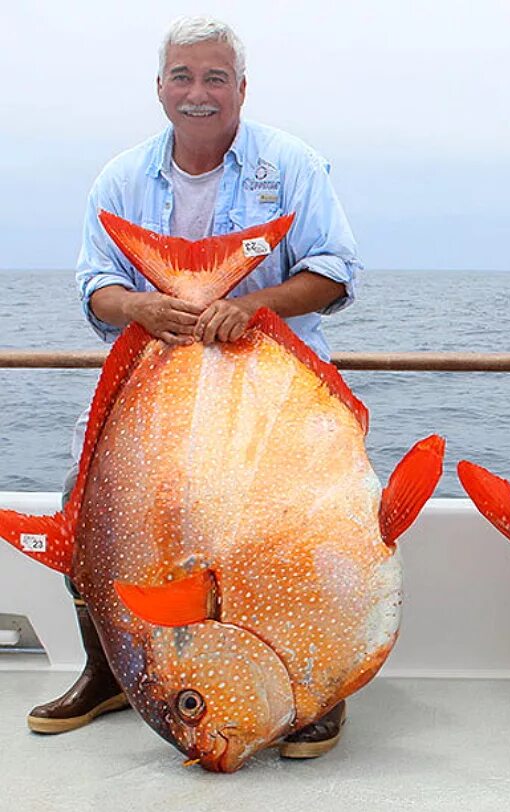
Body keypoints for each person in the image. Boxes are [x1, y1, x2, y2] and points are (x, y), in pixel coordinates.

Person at [30, 16, 361, 760]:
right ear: (159, 88)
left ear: (242, 88)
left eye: (215, 78)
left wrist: (252, 306)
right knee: (82, 505)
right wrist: (141, 306)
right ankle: (107, 671)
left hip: (275, 395)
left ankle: (319, 684)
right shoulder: (120, 178)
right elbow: (95, 288)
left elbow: (337, 272)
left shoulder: (294, 163)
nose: (198, 93)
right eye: (183, 76)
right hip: (164, 396)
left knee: (304, 526)